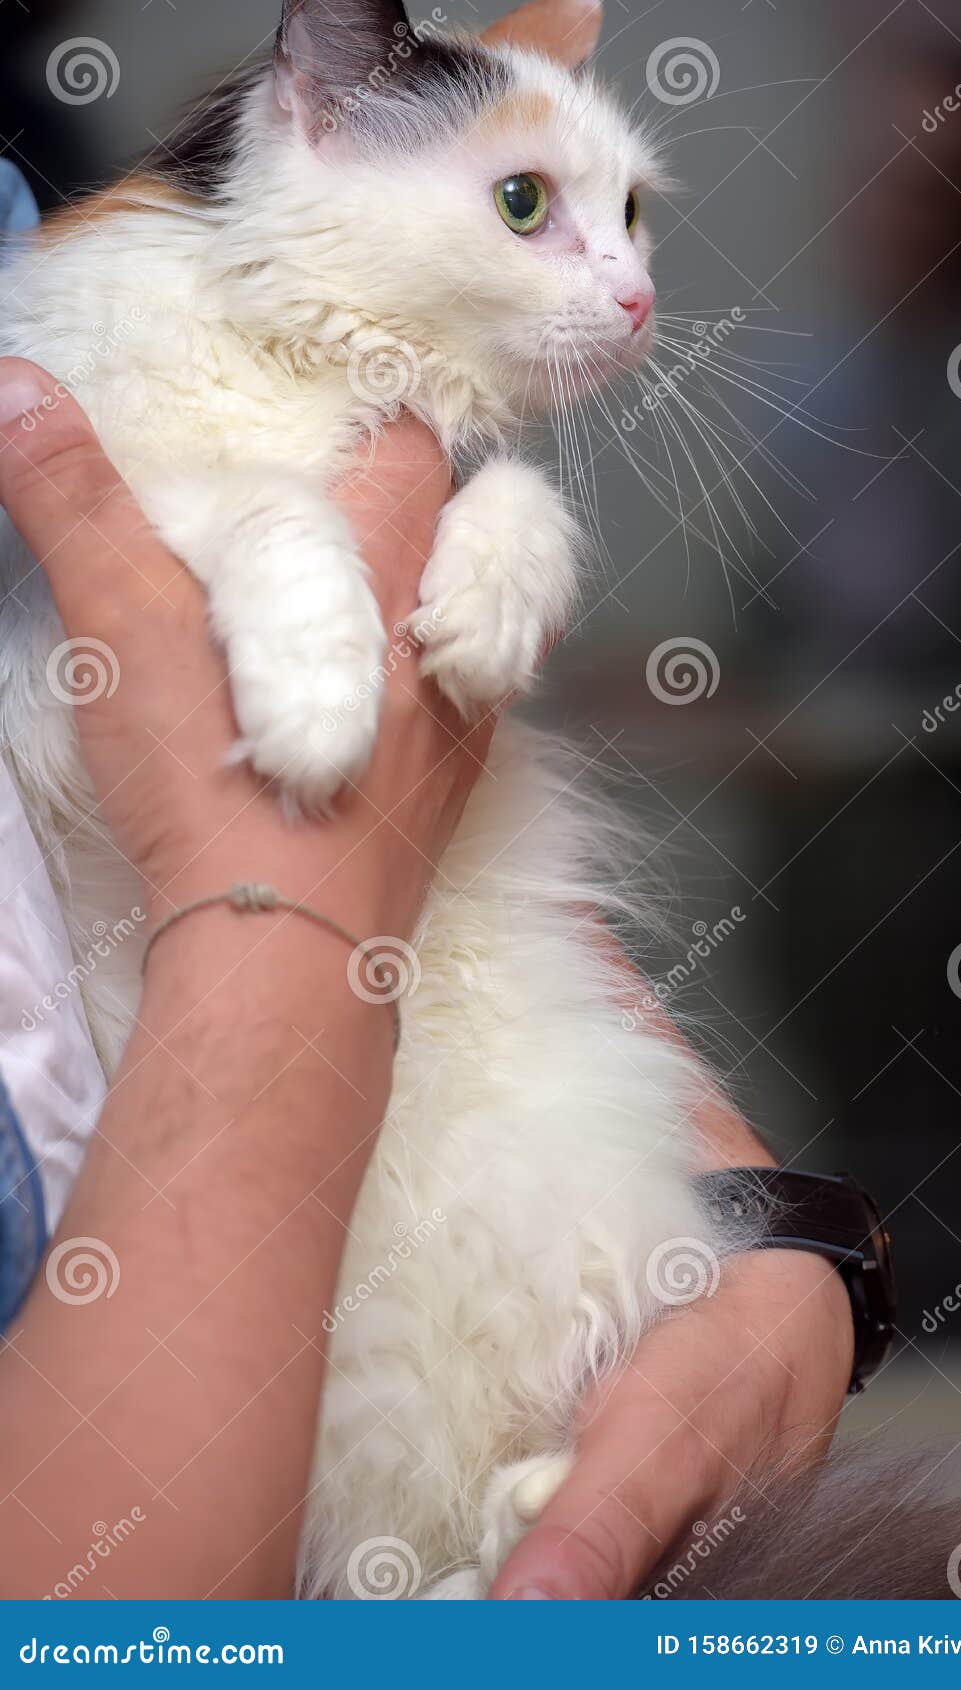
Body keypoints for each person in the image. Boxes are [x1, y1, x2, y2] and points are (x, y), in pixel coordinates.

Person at [0, 0, 852, 1601]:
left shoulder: (56, 193)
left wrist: (779, 1247)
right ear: (316, 113)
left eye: (630, 217)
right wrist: (282, 567)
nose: (632, 285)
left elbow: (430, 784)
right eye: (534, 206)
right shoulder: (103, 318)